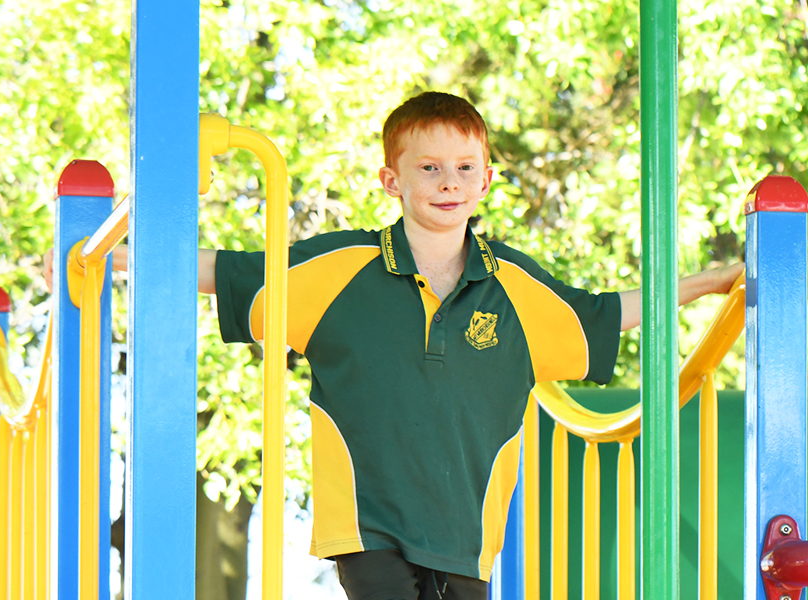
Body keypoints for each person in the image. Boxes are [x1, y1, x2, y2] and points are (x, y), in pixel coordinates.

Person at [126, 91, 740, 600]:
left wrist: (706, 283)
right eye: (429, 168)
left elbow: (602, 315)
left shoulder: (514, 286)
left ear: (487, 180)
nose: (449, 182)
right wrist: (120, 258)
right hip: (368, 528)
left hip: (467, 532)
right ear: (391, 179)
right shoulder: (342, 268)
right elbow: (226, 272)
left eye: (465, 167)